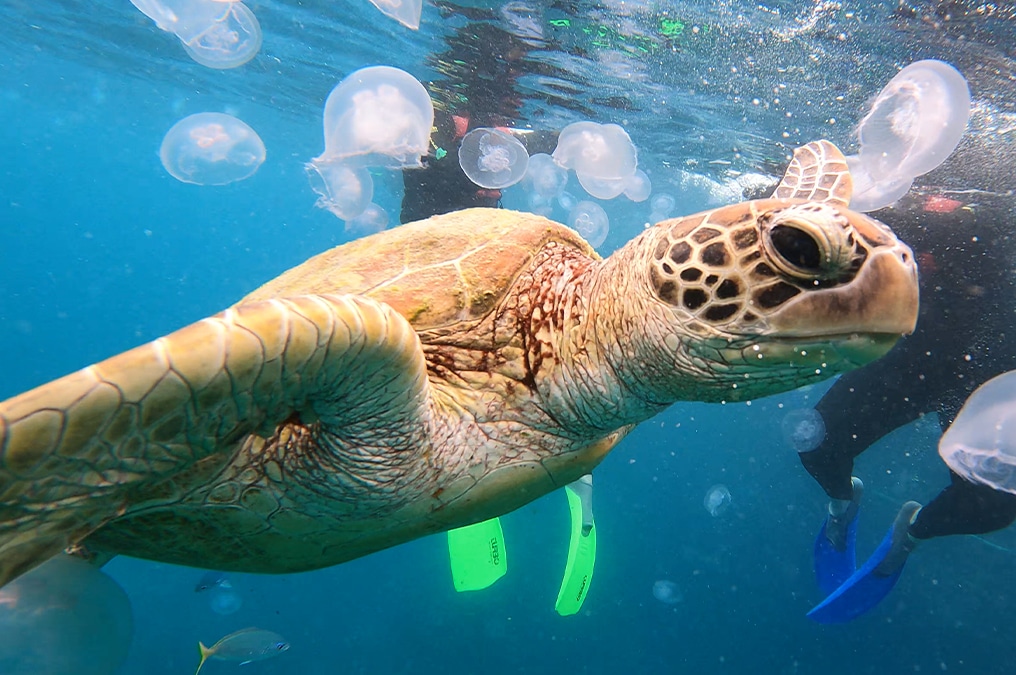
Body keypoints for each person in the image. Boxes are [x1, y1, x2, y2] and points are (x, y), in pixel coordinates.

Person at [800, 185, 1016, 622]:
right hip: (919, 361)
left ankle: (909, 537)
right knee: (816, 443)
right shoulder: (967, 208)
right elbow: (875, 221)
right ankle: (843, 502)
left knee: (994, 504)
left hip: (996, 383)